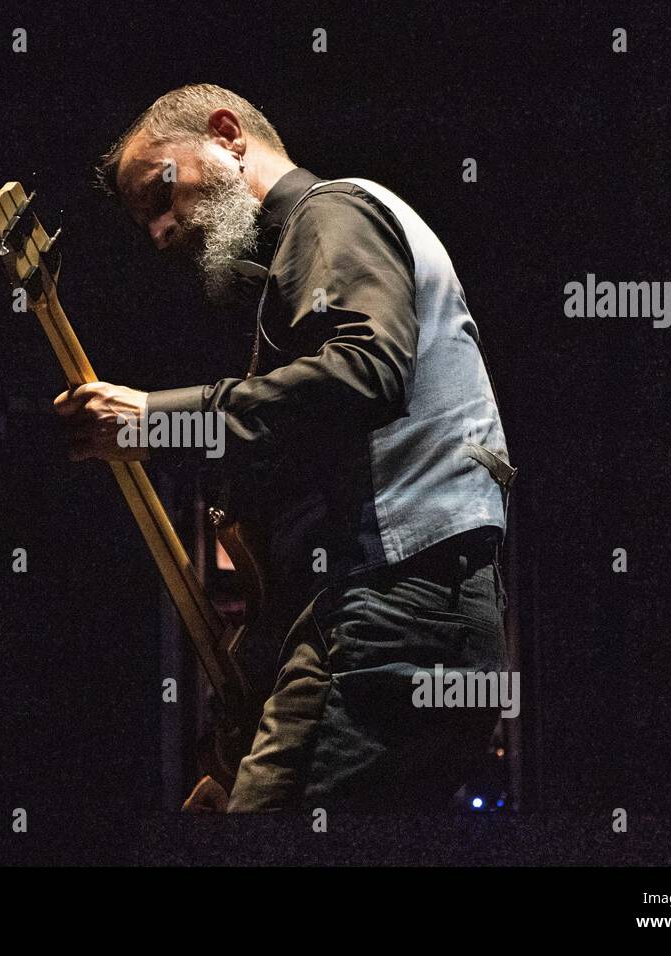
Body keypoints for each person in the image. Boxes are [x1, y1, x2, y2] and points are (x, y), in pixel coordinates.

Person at [54, 84, 516, 812]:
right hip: (391, 609)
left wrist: (157, 419)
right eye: (145, 219)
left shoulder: (332, 212)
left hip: (393, 603)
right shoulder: (307, 263)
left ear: (228, 134)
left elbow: (365, 373)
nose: (159, 232)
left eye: (162, 193)